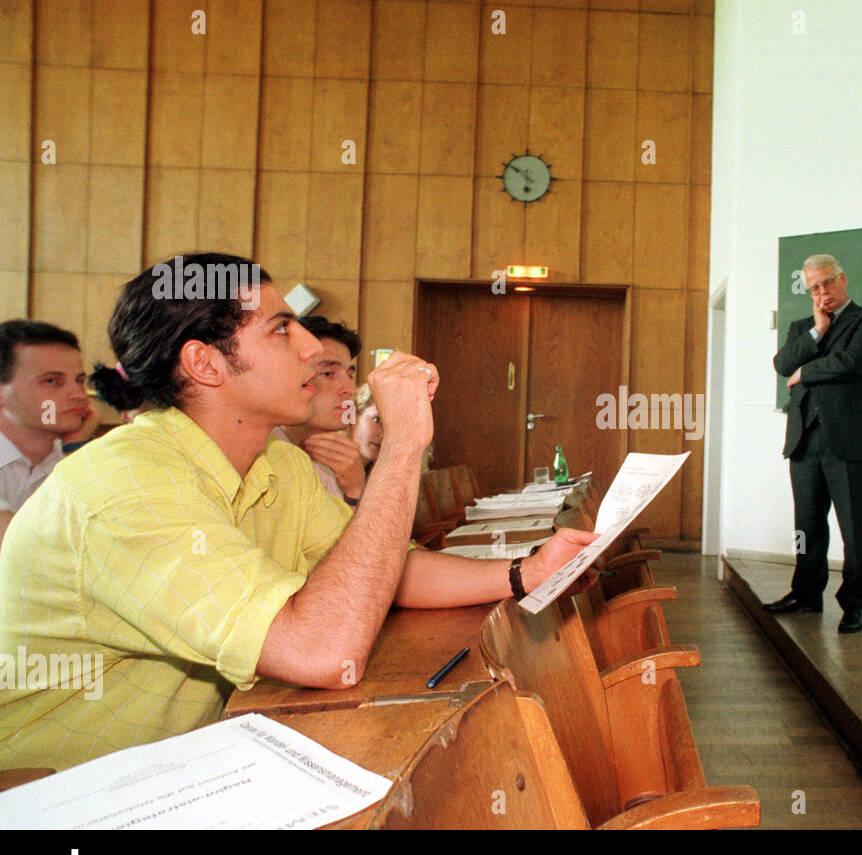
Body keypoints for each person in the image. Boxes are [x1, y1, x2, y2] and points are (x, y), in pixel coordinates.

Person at [0, 253, 595, 769]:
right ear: (206, 364)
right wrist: (404, 445)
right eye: (282, 330)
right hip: (62, 795)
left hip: (189, 759)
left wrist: (526, 572)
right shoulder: (127, 488)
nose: (312, 348)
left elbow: (386, 569)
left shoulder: (274, 464)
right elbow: (321, 652)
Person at [764, 254, 862, 634]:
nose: (823, 292)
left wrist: (805, 372)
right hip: (806, 438)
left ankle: (856, 604)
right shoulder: (803, 327)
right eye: (814, 288)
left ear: (843, 279)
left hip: (852, 439)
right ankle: (805, 594)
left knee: (854, 527)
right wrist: (817, 332)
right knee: (806, 525)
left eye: (828, 283)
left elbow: (852, 362)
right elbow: (782, 363)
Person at [0, 320, 100, 548]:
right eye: (52, 381)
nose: (79, 395)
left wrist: (76, 450)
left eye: (79, 380)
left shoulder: (74, 456)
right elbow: (20, 550)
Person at [274, 316, 366, 505]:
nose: (349, 388)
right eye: (328, 374)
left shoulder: (331, 460)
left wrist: (354, 490)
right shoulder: (267, 457)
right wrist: (354, 493)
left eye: (350, 374)